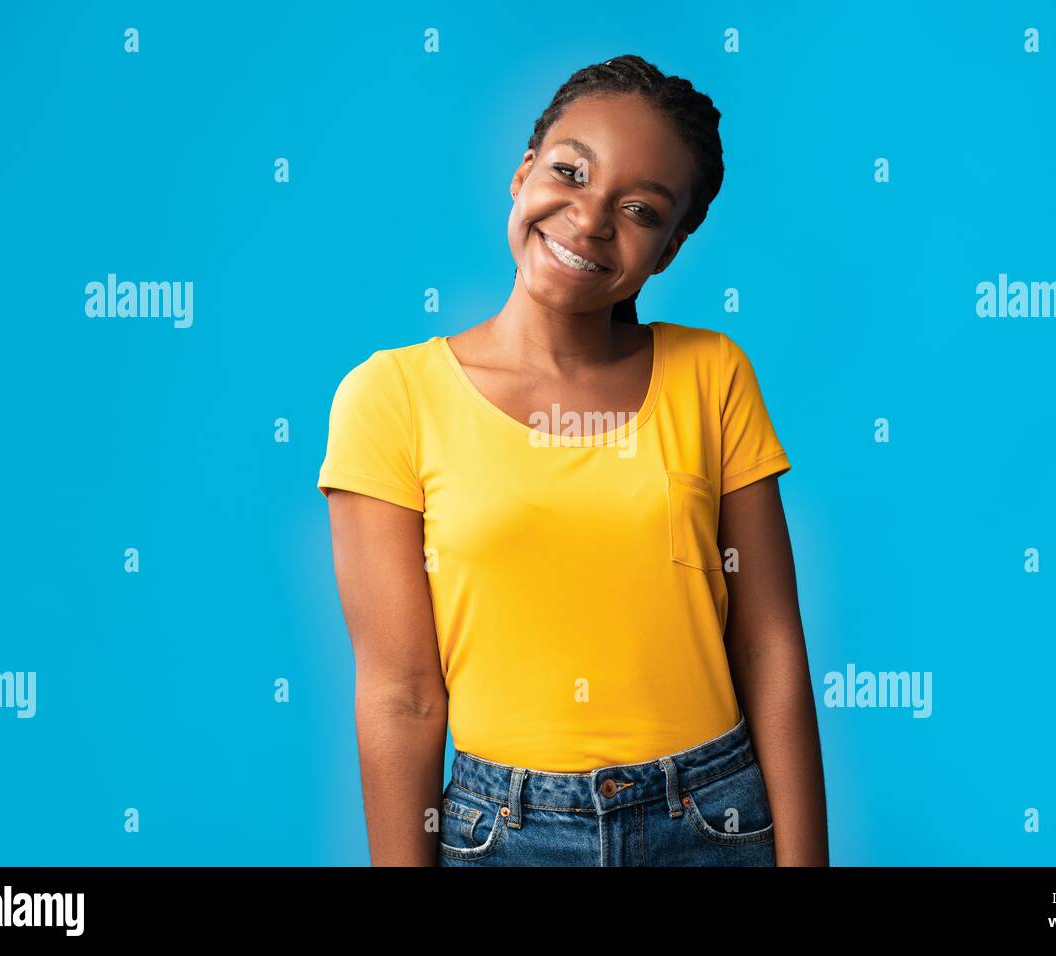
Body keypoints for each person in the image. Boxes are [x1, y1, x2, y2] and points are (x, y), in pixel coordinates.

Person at [317, 54, 827, 866]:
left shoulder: (712, 375)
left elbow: (770, 649)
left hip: (712, 820)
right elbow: (401, 696)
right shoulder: (390, 397)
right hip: (502, 833)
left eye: (639, 209)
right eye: (569, 171)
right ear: (523, 173)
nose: (590, 219)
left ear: (668, 249)